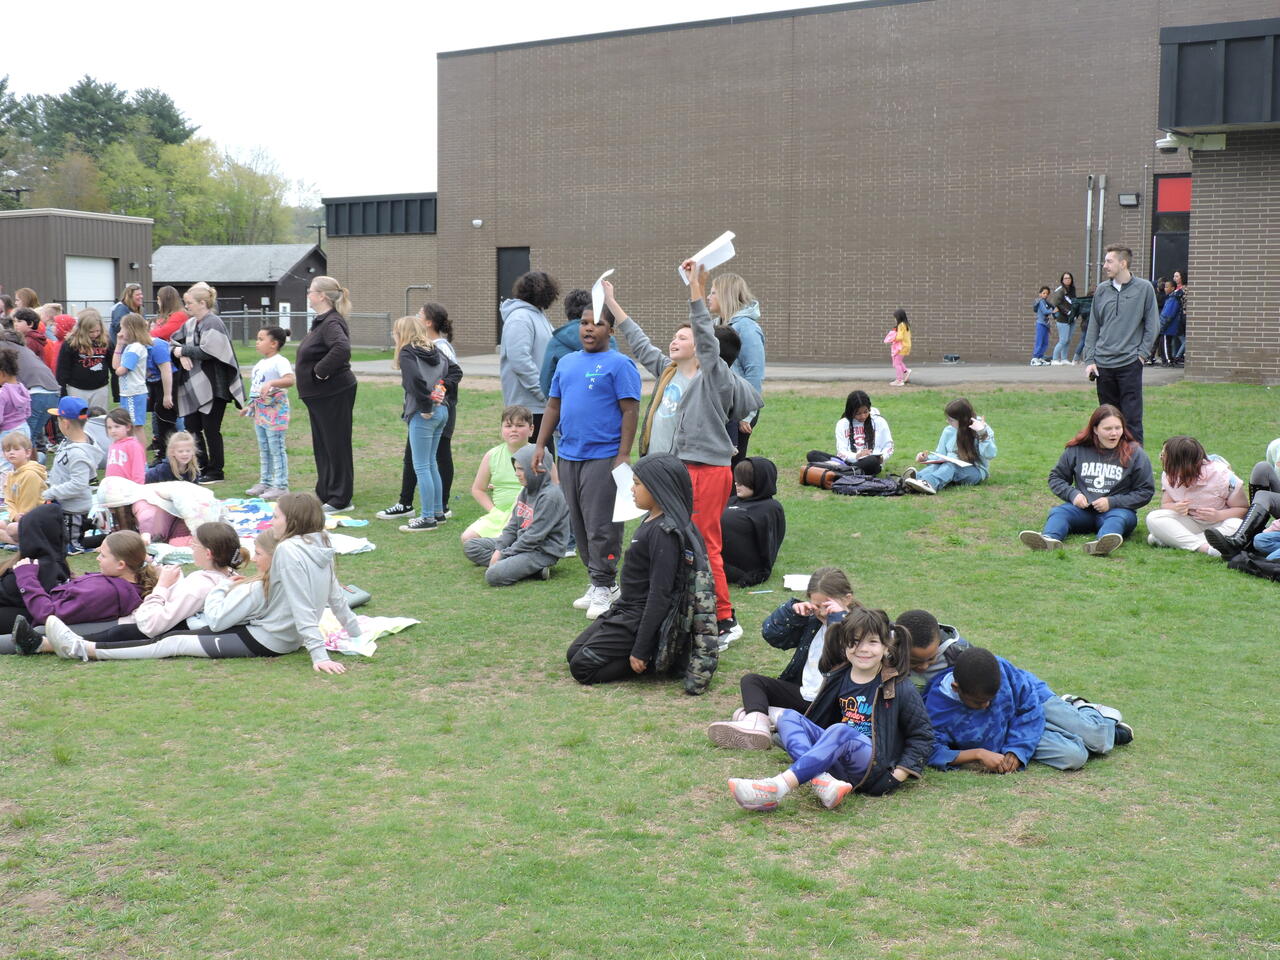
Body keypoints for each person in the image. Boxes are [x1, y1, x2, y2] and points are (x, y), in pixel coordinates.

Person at [37, 494, 361, 672]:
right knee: (172, 637)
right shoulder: (320, 542)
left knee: (173, 642)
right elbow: (333, 593)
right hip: (270, 632)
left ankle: (82, 650)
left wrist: (319, 655)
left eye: (276, 516)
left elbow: (305, 603)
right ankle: (75, 645)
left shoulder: (289, 549)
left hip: (269, 639)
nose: (271, 521)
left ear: (293, 521)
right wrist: (355, 632)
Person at [609, 267, 762, 644]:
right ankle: (674, 607)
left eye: (684, 336)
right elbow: (641, 344)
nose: (675, 340)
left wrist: (697, 290)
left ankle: (725, 620)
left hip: (705, 471)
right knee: (671, 542)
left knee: (705, 544)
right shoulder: (670, 372)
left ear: (703, 347)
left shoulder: (715, 377)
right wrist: (612, 304)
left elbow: (708, 340)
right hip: (674, 471)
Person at [727, 608, 932, 811]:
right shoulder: (839, 677)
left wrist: (896, 777)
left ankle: (776, 787)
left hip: (872, 768)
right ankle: (822, 780)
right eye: (855, 641)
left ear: (887, 646)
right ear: (844, 643)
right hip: (836, 760)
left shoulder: (898, 686)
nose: (863, 649)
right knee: (788, 716)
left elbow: (922, 736)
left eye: (872, 642)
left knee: (840, 730)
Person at [532, 291, 641, 619]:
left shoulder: (620, 365)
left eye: (597, 324)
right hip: (569, 456)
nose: (589, 328)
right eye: (584, 323)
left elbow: (630, 410)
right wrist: (540, 445)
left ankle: (606, 584)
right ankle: (598, 582)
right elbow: (553, 406)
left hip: (604, 457)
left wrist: (623, 454)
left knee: (602, 525)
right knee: (579, 525)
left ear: (611, 330)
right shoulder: (567, 363)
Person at [565, 453, 707, 686]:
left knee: (582, 668)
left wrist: (641, 648)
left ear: (659, 488)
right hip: (625, 608)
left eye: (637, 484)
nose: (631, 489)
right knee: (573, 653)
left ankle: (652, 659)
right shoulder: (650, 519)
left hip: (638, 617)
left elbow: (660, 595)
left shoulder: (664, 533)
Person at [12, 521, 242, 654]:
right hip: (131, 620)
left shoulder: (201, 584)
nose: (191, 546)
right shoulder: (217, 576)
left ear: (208, 553)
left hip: (135, 626)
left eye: (195, 544)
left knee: (43, 634)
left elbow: (152, 624)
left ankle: (41, 645)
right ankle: (41, 643)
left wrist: (162, 587)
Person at [706, 566, 856, 749]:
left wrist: (838, 619)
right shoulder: (813, 622)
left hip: (830, 702)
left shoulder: (860, 624)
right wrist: (791, 613)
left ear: (847, 599)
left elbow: (840, 654)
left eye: (827, 606)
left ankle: (759, 720)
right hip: (804, 694)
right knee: (751, 681)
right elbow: (772, 636)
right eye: (817, 606)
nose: (822, 612)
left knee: (745, 711)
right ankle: (759, 724)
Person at [924, 646, 1132, 773]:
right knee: (1075, 757)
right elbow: (931, 750)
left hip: (1036, 703)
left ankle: (1083, 708)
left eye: (991, 700)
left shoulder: (1001, 669)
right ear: (956, 688)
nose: (986, 706)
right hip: (1005, 735)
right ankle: (1077, 729)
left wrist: (1018, 748)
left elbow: (1029, 707)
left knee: (1098, 740)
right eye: (979, 703)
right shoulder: (937, 708)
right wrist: (978, 754)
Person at [1019, 404, 1153, 556]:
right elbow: (1056, 478)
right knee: (1059, 512)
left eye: (1118, 428)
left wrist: (1112, 502)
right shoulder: (1077, 449)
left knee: (1118, 519)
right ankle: (1048, 540)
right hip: (1082, 511)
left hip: (1117, 511)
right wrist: (1073, 495)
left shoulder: (1135, 453)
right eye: (1108, 429)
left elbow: (1145, 491)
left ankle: (1102, 544)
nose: (1114, 433)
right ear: (1095, 429)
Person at [377, 304, 463, 521]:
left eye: (395, 332)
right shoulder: (433, 349)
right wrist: (440, 387)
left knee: (422, 466)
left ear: (402, 334)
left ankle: (427, 518)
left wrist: (426, 406)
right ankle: (438, 512)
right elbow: (455, 371)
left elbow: (413, 381)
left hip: (424, 414)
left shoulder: (407, 352)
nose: (393, 336)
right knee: (431, 463)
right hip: (441, 412)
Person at [4, 527, 155, 640]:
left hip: (35, 615)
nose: (98, 558)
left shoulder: (105, 593)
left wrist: (26, 577)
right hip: (39, 603)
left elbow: (49, 615)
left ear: (121, 564)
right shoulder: (121, 580)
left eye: (103, 555)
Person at [1083, 244, 1160, 444]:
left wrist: (1141, 355)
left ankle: (1135, 461)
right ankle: (1110, 459)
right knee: (1108, 421)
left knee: (1132, 420)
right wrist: (1090, 360)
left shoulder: (1144, 289)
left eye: (1109, 261)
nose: (1104, 266)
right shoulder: (1101, 290)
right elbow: (1093, 326)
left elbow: (1153, 325)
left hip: (1130, 364)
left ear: (1123, 263)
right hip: (1103, 366)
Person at [462, 443, 570, 585]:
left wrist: (504, 554)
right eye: (516, 468)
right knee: (471, 546)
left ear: (537, 468)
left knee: (493, 575)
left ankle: (521, 566)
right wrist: (500, 549)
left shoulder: (550, 497)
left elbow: (534, 536)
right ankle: (534, 571)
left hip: (541, 551)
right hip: (520, 543)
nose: (516, 474)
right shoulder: (526, 490)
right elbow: (513, 526)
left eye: (521, 469)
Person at [171, 282, 244, 484]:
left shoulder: (213, 323)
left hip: (215, 387)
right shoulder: (190, 324)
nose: (187, 307)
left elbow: (209, 350)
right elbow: (172, 342)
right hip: (192, 387)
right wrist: (178, 353)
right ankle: (199, 466)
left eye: (189, 303)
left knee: (211, 430)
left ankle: (216, 471)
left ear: (203, 303)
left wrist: (183, 351)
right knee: (192, 427)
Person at [296, 276, 357, 512]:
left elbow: (341, 348)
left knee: (335, 444)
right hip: (320, 396)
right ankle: (325, 492)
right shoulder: (322, 321)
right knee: (323, 445)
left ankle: (341, 499)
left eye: (310, 291)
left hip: (333, 393)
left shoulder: (332, 321)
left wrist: (319, 372)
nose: (308, 295)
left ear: (322, 295)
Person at [1145, 436, 1246, 555]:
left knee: (1237, 525)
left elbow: (1243, 509)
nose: (1160, 458)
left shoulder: (1222, 476)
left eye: (1164, 455)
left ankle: (1169, 539)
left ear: (1180, 462)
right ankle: (1206, 548)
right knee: (1154, 517)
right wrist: (1175, 507)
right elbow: (1166, 504)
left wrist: (1218, 515)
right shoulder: (1169, 475)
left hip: (1219, 523)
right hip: (1190, 521)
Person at [459, 405, 542, 543]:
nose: (514, 429)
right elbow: (478, 489)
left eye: (520, 425)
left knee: (517, 540)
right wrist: (494, 512)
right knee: (467, 538)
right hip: (499, 516)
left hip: (529, 514)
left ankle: (506, 547)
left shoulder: (538, 454)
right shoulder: (492, 455)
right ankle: (502, 547)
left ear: (531, 429)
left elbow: (552, 487)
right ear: (501, 429)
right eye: (508, 426)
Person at [708, 273, 764, 462]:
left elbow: (754, 372)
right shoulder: (715, 325)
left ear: (726, 295)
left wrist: (747, 415)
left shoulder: (747, 327)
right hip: (718, 406)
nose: (708, 297)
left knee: (733, 466)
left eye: (713, 293)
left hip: (739, 410)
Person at [498, 270, 558, 443]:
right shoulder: (520, 318)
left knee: (545, 456)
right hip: (526, 408)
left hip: (542, 406)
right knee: (531, 457)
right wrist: (543, 393)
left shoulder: (538, 316)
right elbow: (520, 361)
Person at [902, 398, 996, 495]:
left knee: (951, 465)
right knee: (939, 465)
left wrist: (982, 433)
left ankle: (929, 483)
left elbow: (990, 454)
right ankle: (913, 480)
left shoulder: (981, 428)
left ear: (962, 419)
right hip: (949, 465)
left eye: (951, 420)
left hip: (975, 472)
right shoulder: (948, 430)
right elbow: (940, 455)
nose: (947, 421)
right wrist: (926, 458)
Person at [41, 397, 99, 554]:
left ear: (65, 423)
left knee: (71, 546)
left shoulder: (79, 453)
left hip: (73, 509)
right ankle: (92, 524)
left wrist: (51, 492)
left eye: (58, 419)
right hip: (63, 503)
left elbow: (78, 484)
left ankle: (101, 534)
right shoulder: (69, 442)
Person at [242, 327, 294, 500]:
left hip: (275, 414)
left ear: (273, 344)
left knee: (276, 449)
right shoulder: (261, 364)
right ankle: (265, 482)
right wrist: (250, 407)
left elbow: (290, 380)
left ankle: (281, 486)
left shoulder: (280, 361)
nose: (257, 342)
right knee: (264, 449)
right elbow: (257, 390)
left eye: (261, 339)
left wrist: (272, 383)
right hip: (261, 413)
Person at [720, 457, 785, 587]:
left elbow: (768, 543)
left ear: (758, 481)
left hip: (741, 567)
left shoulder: (770, 507)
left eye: (743, 481)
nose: (737, 484)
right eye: (737, 479)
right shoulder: (732, 500)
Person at [1205, 458, 1280, 570]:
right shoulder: (1275, 448)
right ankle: (1250, 535)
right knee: (1262, 468)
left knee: (1264, 496)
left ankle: (1241, 540)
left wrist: (1274, 527)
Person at [806, 389, 894, 476]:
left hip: (869, 463)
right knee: (812, 455)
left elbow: (889, 446)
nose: (863, 416)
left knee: (872, 461)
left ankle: (841, 472)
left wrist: (882, 458)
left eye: (866, 412)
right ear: (851, 411)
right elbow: (841, 452)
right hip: (845, 463)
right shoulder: (842, 423)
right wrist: (856, 456)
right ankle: (848, 472)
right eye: (858, 413)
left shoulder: (879, 421)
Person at [3, 328, 59, 456]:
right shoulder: (24, 349)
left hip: (35, 392)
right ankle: (35, 466)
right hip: (53, 391)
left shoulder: (4, 347)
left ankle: (29, 467)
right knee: (28, 439)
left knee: (22, 442)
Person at [895, 608, 970, 692]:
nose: (924, 666)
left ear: (939, 642)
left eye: (931, 658)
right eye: (914, 662)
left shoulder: (958, 653)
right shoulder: (886, 649)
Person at [56, 309, 110, 411]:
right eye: (91, 332)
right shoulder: (71, 343)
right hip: (77, 388)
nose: (95, 334)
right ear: (82, 330)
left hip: (100, 388)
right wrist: (62, 391)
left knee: (99, 417)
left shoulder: (106, 341)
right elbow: (62, 370)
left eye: (98, 331)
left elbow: (113, 365)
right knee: (79, 416)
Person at [112, 313, 152, 445]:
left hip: (133, 393)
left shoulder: (135, 349)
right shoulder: (130, 347)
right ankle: (133, 452)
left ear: (130, 329)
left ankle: (140, 456)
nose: (120, 332)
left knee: (135, 427)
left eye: (122, 328)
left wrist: (118, 369)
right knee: (130, 426)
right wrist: (119, 345)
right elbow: (115, 366)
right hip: (128, 393)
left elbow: (121, 370)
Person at [0, 433, 46, 545]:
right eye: (7, 450)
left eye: (16, 449)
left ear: (28, 453)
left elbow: (30, 504)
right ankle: (20, 542)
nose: (11, 453)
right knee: (4, 526)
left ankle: (23, 543)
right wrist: (14, 515)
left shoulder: (31, 475)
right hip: (17, 517)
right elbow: (9, 500)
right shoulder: (11, 474)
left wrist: (18, 518)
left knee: (11, 529)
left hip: (35, 519)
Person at [104, 408, 146, 484]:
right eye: (109, 427)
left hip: (128, 488)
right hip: (112, 487)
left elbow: (138, 471)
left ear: (128, 427)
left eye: (117, 426)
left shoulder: (133, 445)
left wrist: (137, 487)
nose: (113, 431)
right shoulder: (113, 445)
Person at [0, 348, 31, 448]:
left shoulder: (2, 393)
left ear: (2, 373)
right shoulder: (23, 388)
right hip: (24, 429)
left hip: (7, 434)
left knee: (6, 457)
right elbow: (28, 413)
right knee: (23, 456)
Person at [1049, 271, 1078, 365]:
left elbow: (1074, 302)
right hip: (1062, 319)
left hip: (1072, 318)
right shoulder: (1060, 290)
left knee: (1068, 340)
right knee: (1063, 340)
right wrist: (1067, 312)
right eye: (1065, 278)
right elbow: (1056, 303)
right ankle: (1055, 359)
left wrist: (1075, 313)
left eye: (1069, 278)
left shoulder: (1072, 289)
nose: (1067, 280)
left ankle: (1064, 358)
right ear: (1062, 280)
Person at [883, 308, 912, 385]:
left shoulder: (901, 325)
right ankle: (906, 371)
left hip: (902, 346)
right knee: (898, 361)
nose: (895, 319)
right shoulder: (906, 324)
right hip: (906, 345)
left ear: (899, 317)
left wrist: (892, 339)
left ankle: (899, 380)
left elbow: (900, 337)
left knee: (896, 363)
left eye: (895, 318)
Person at [1030, 285, 1053, 366]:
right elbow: (1045, 311)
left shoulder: (1045, 302)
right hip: (1040, 324)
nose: (1045, 295)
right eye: (1044, 293)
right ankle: (1034, 358)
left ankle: (1040, 358)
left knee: (1045, 342)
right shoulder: (1040, 301)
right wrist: (1053, 310)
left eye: (1047, 293)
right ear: (1040, 294)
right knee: (1039, 342)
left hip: (1045, 325)